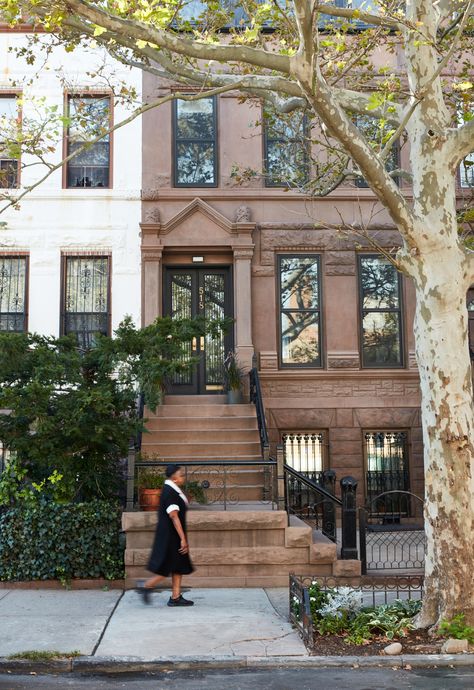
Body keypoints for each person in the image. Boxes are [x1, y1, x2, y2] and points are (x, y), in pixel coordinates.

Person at [137, 463, 195, 606]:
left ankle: (175, 597)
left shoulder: (173, 491)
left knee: (178, 565)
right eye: (181, 475)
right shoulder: (170, 492)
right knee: (167, 566)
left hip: (173, 535)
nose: (183, 477)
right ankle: (145, 586)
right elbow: (174, 516)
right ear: (174, 479)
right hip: (171, 536)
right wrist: (183, 539)